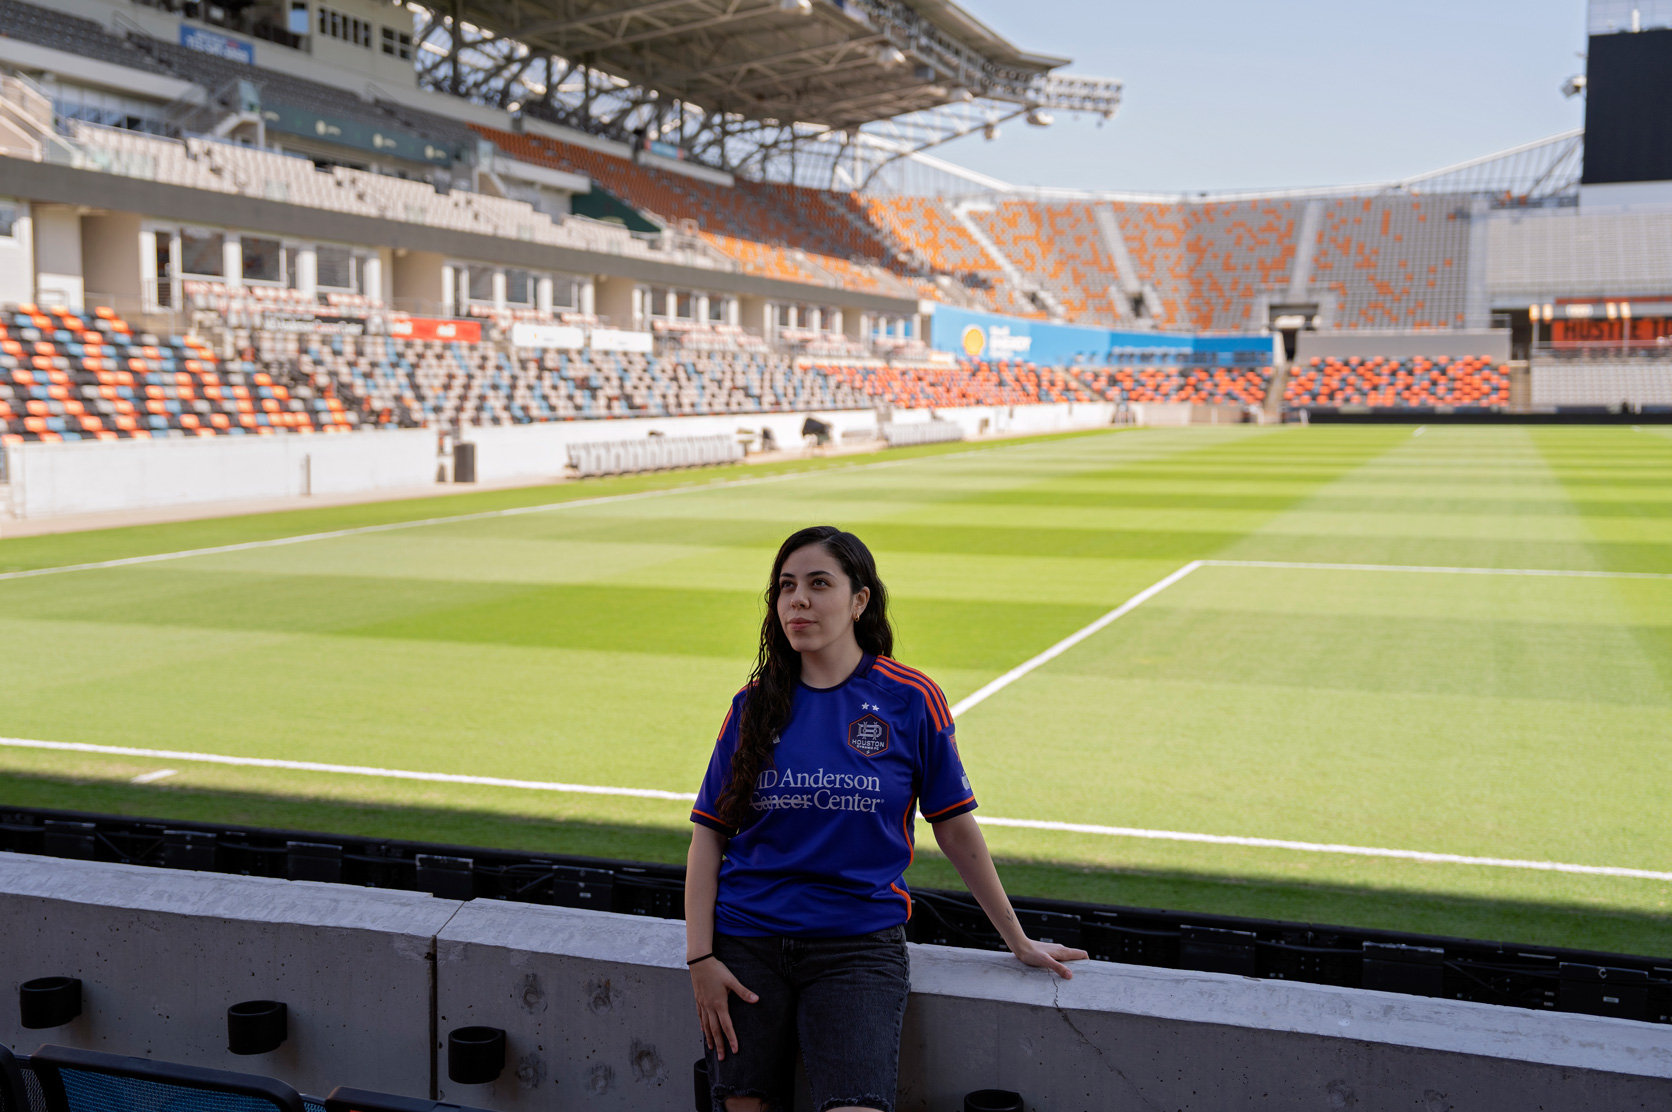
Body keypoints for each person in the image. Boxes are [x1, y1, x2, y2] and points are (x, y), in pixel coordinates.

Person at [685, 525, 1087, 1112]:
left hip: (857, 949)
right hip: (746, 945)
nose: (798, 599)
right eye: (786, 586)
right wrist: (700, 958)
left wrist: (1017, 938)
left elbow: (954, 827)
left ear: (858, 600)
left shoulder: (910, 698)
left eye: (819, 583)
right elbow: (707, 838)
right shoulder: (752, 705)